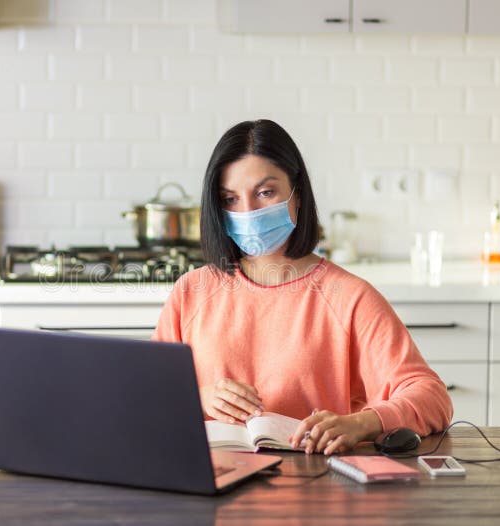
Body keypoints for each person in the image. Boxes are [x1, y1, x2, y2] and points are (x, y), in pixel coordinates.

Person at [151, 119, 453, 455]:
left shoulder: (350, 298)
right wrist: (199, 395)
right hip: (209, 480)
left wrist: (362, 423)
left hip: (312, 483)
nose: (247, 212)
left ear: (297, 195)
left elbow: (432, 397)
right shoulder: (190, 292)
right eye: (231, 198)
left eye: (266, 192)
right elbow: (147, 392)